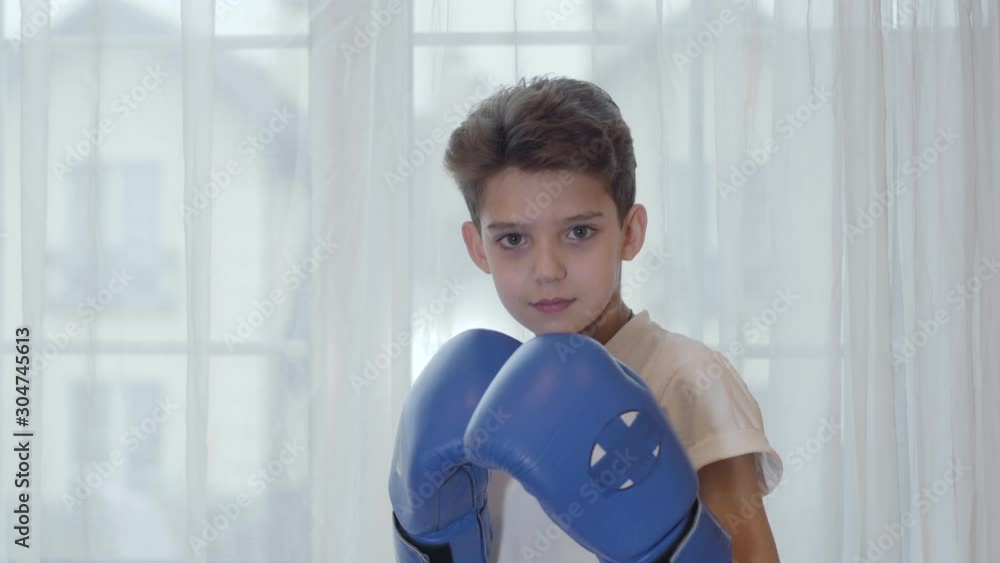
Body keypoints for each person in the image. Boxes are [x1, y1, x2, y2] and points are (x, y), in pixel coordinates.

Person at [442, 75, 784, 562]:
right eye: (513, 239)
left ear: (630, 232)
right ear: (478, 248)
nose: (547, 270)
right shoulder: (489, 407)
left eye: (579, 231)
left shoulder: (688, 381)